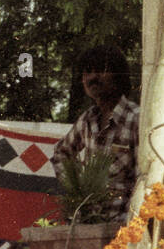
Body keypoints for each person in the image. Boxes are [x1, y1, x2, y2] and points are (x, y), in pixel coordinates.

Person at [51, 46, 141, 222]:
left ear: (118, 75)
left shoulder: (135, 118)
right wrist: (76, 187)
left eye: (100, 70)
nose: (92, 78)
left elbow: (143, 177)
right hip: (86, 223)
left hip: (122, 226)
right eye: (87, 73)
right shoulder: (87, 120)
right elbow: (61, 153)